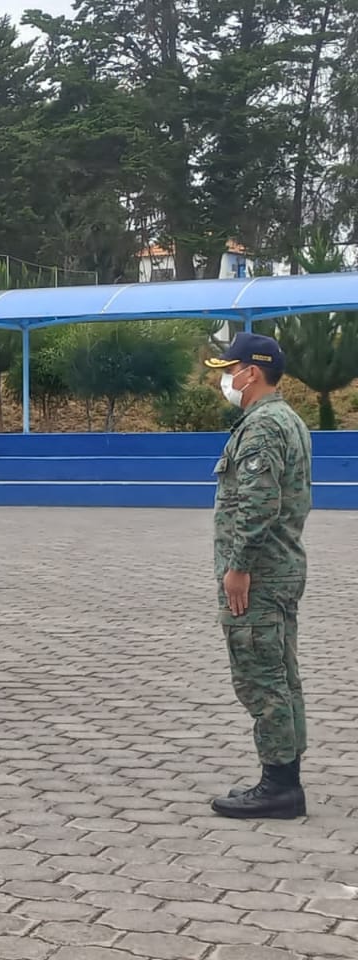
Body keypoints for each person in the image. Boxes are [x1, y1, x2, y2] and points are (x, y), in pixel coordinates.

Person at [204, 333, 311, 820]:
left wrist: (238, 568)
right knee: (281, 675)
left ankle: (279, 787)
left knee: (260, 676)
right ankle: (285, 777)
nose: (224, 378)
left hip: (261, 573)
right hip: (280, 568)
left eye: (229, 369)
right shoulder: (285, 419)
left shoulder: (264, 426)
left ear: (252, 372)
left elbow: (259, 504)